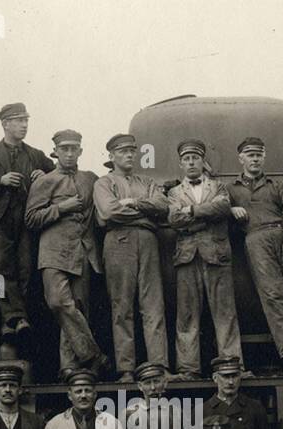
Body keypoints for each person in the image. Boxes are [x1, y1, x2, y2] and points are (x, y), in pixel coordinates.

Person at [0, 102, 55, 337]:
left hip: (25, 220)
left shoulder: (35, 154)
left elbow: (57, 174)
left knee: (25, 269)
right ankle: (12, 318)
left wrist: (44, 175)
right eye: (19, 121)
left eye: (26, 121)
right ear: (5, 124)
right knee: (0, 270)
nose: (24, 125)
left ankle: (14, 318)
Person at [24, 129, 109, 379]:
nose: (70, 154)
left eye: (74, 149)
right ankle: (93, 355)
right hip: (54, 253)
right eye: (65, 149)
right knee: (58, 303)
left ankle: (70, 367)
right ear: (56, 152)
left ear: (80, 151)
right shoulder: (45, 181)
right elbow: (31, 218)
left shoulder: (91, 179)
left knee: (78, 310)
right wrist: (61, 208)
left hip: (84, 252)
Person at [229, 136, 283, 370]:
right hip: (256, 241)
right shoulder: (231, 189)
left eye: (258, 155)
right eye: (250, 155)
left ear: (264, 157)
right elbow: (218, 207)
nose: (255, 159)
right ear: (241, 159)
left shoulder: (276, 186)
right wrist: (231, 208)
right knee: (273, 295)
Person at [94, 133, 170, 380]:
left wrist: (133, 203)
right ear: (112, 156)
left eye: (132, 151)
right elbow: (108, 211)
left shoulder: (146, 180)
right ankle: (126, 369)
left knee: (153, 305)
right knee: (121, 306)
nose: (129, 155)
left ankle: (159, 367)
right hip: (118, 241)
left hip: (148, 241)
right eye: (123, 151)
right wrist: (143, 210)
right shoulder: (103, 183)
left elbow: (162, 205)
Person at [166, 138, 244, 379]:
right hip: (187, 257)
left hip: (217, 255)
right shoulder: (173, 192)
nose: (191, 163)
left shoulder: (219, 187)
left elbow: (222, 207)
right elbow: (174, 220)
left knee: (225, 313)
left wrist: (191, 212)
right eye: (186, 159)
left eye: (195, 158)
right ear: (181, 164)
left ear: (203, 161)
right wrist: (206, 215)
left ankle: (233, 365)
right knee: (187, 315)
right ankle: (188, 368)